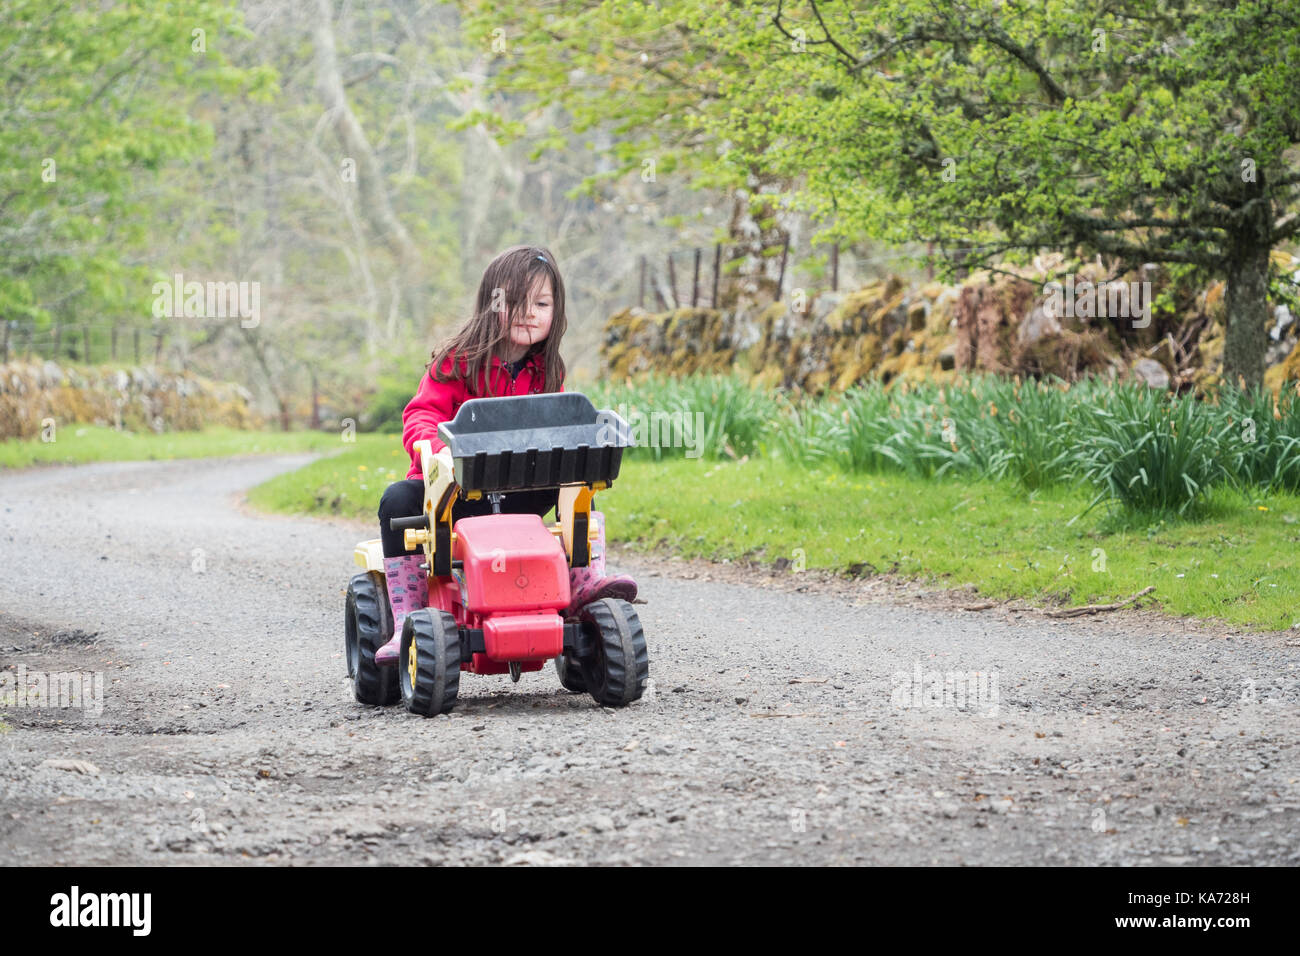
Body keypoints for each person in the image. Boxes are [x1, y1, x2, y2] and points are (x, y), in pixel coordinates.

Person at [374, 245, 636, 665]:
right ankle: (406, 617)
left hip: (518, 487)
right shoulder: (457, 361)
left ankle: (585, 582)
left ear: (557, 311)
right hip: (455, 493)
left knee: (577, 484)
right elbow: (422, 414)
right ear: (491, 304)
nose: (529, 312)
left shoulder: (548, 370)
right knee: (397, 501)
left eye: (542, 303)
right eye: (515, 302)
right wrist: (437, 449)